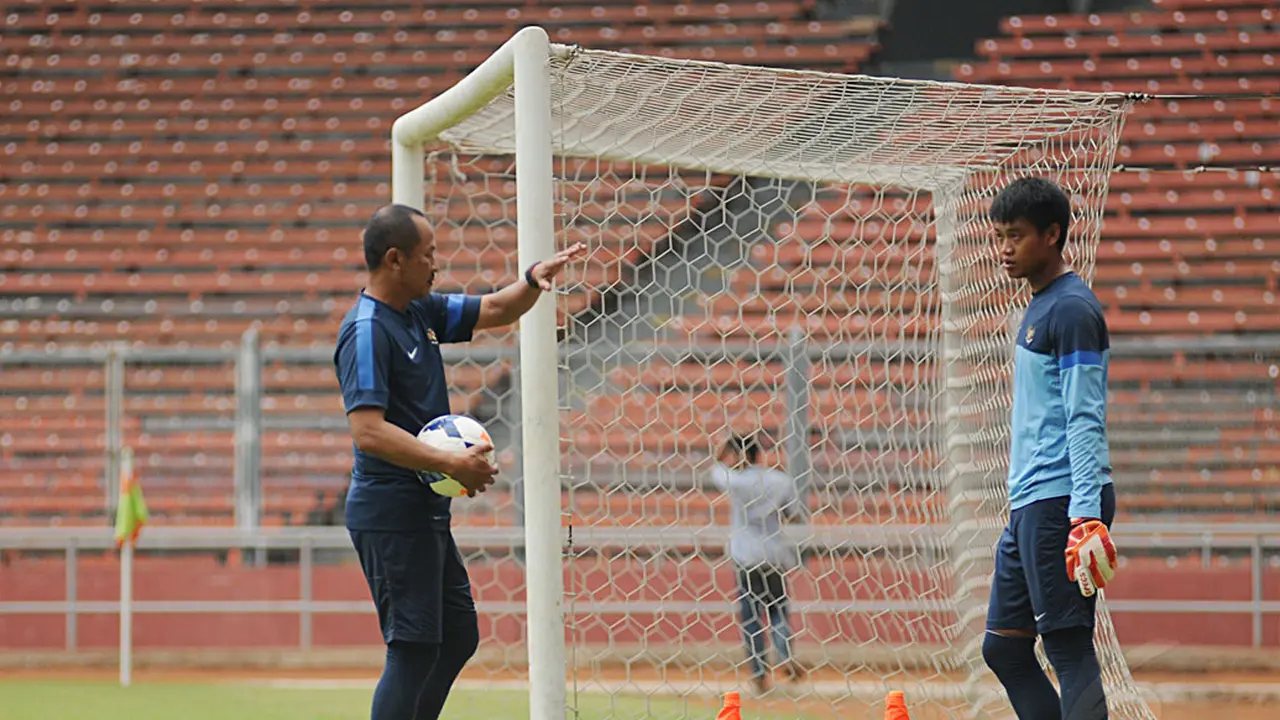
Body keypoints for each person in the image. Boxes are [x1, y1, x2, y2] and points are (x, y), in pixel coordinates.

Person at [334, 204, 585, 720]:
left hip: (419, 507)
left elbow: (494, 309)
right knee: (412, 645)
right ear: (395, 259)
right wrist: (448, 463)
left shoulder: (418, 311)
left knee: (456, 635)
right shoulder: (366, 330)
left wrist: (533, 281)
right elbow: (367, 430)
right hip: (390, 509)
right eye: (429, 255)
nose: (437, 265)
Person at [982, 177, 1120, 720]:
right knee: (1005, 648)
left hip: (1062, 501)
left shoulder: (1070, 310)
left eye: (1016, 236)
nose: (1004, 249)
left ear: (1053, 234)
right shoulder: (1043, 306)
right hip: (1031, 503)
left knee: (1066, 646)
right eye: (1000, 236)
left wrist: (1085, 515)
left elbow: (1085, 419)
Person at [710, 434, 805, 695]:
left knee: (751, 617)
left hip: (746, 557)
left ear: (739, 456)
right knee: (778, 609)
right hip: (774, 555)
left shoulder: (737, 482)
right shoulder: (780, 481)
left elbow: (715, 470)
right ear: (759, 454)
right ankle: (784, 653)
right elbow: (793, 515)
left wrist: (723, 449)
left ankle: (759, 674)